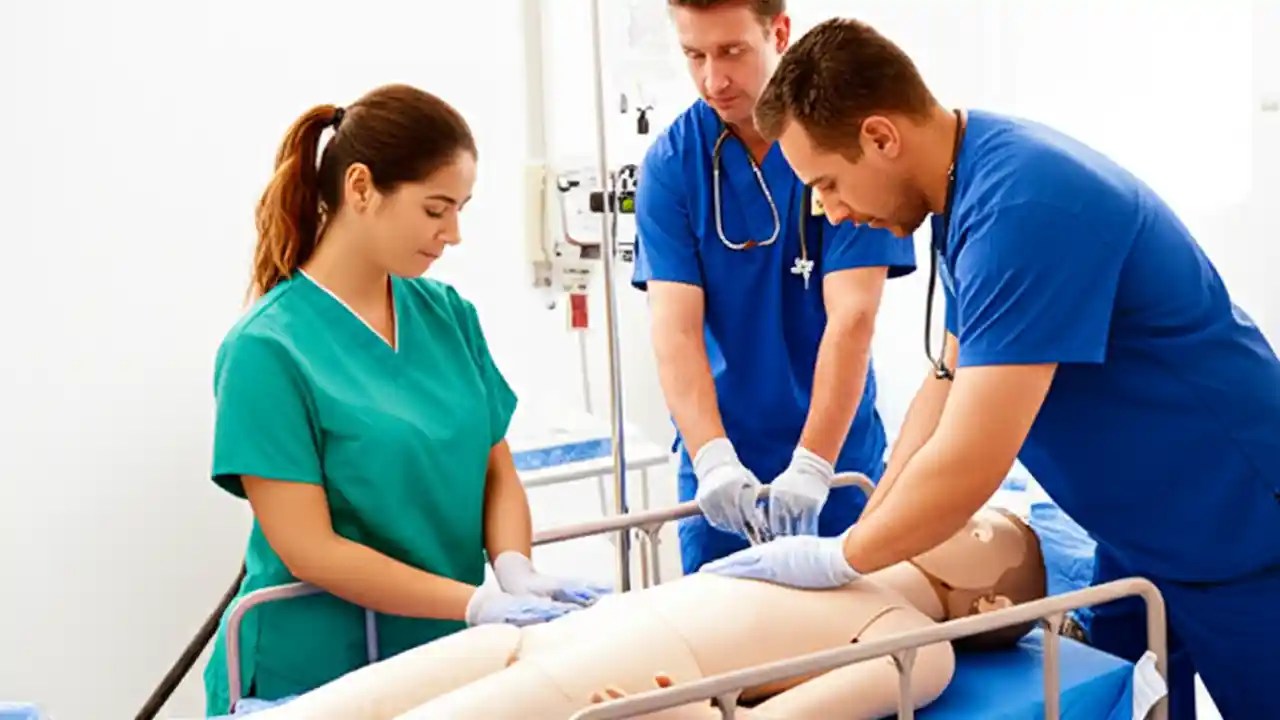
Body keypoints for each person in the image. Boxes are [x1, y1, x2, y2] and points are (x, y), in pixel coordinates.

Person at [700, 17, 1280, 720]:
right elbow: (945, 387)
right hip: (1142, 530)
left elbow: (972, 458)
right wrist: (864, 535)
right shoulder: (968, 186)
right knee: (1126, 693)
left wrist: (842, 559)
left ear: (881, 137)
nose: (831, 211)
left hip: (1237, 524)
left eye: (827, 183)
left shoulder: (1026, 205)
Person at [203, 84, 606, 715]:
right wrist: (473, 602)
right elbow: (309, 548)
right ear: (360, 188)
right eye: (436, 209)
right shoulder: (266, 350)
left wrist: (513, 567)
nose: (453, 234)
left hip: (443, 655)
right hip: (314, 668)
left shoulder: (448, 316)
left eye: (461, 209)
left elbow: (494, 468)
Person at [223, 506, 1049, 720]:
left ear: (993, 603)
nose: (958, 511)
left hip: (613, 673)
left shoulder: (919, 647)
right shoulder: (841, 551)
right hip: (555, 633)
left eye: (983, 526)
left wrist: (677, 708)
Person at [633, 0, 916, 574]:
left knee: (857, 642)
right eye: (695, 55)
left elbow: (852, 318)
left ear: (778, 33)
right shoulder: (672, 164)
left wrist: (813, 463)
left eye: (732, 51)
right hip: (721, 470)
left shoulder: (841, 146)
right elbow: (676, 330)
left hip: (836, 462)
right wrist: (711, 459)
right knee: (722, 647)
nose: (714, 79)